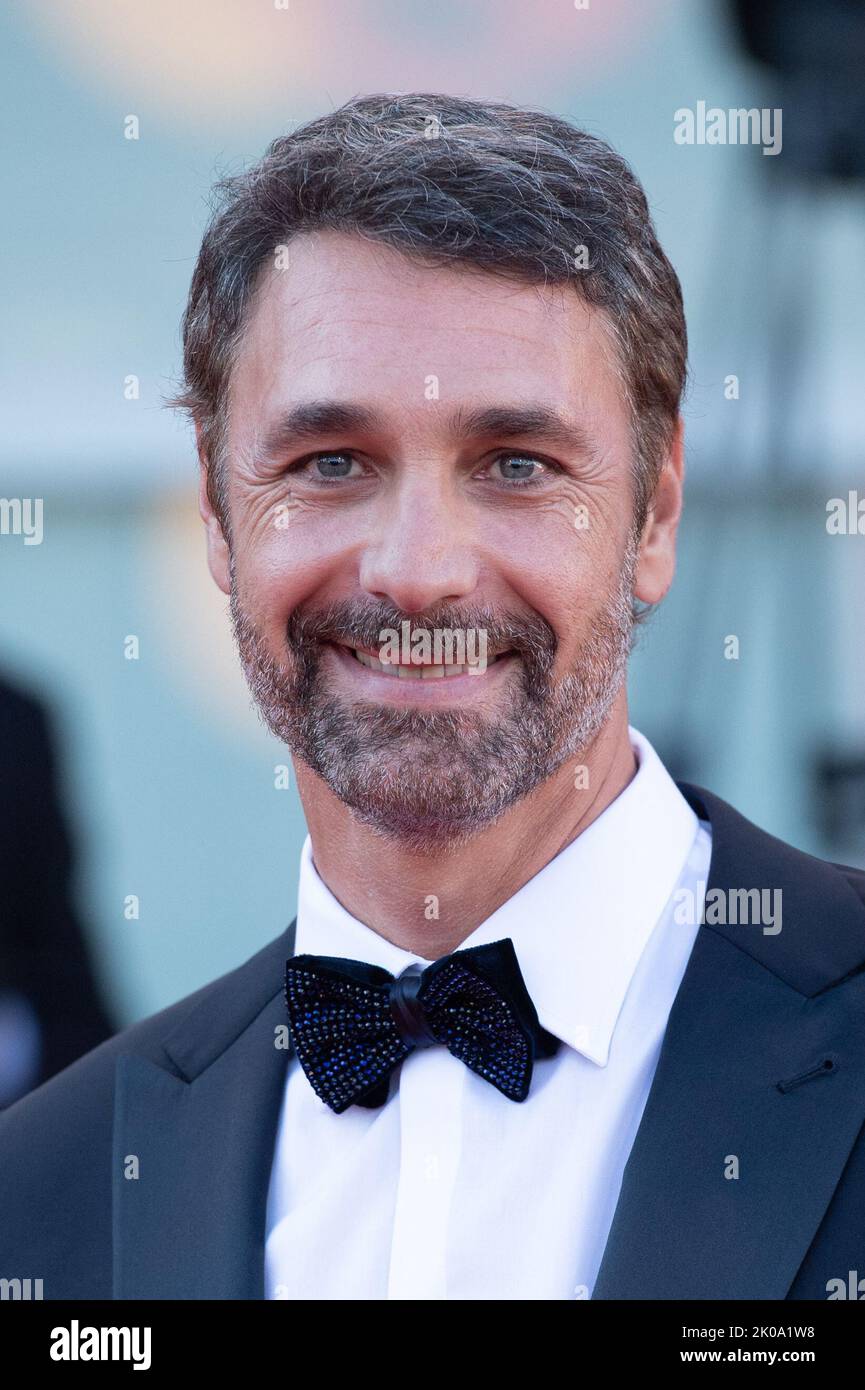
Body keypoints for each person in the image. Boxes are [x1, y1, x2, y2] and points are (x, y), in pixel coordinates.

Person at [2, 92, 863, 1302]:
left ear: (655, 508)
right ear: (214, 510)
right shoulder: (42, 1189)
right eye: (330, 463)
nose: (418, 569)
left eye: (517, 464)